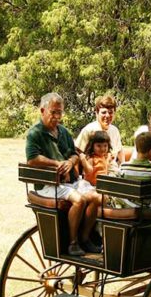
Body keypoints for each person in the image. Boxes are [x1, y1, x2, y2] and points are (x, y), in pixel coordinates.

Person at [25, 92, 102, 256]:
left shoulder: (64, 132)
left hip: (69, 183)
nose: (57, 116)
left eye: (59, 112)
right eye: (53, 112)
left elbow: (74, 154)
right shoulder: (35, 133)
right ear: (42, 111)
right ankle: (72, 243)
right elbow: (32, 159)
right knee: (79, 200)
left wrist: (70, 162)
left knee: (98, 197)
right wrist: (56, 164)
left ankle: (85, 238)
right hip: (49, 184)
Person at [76, 94, 124, 164]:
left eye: (110, 112)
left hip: (113, 172)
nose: (107, 116)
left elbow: (120, 153)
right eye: (104, 112)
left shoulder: (115, 131)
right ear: (97, 113)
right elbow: (77, 152)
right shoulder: (89, 130)